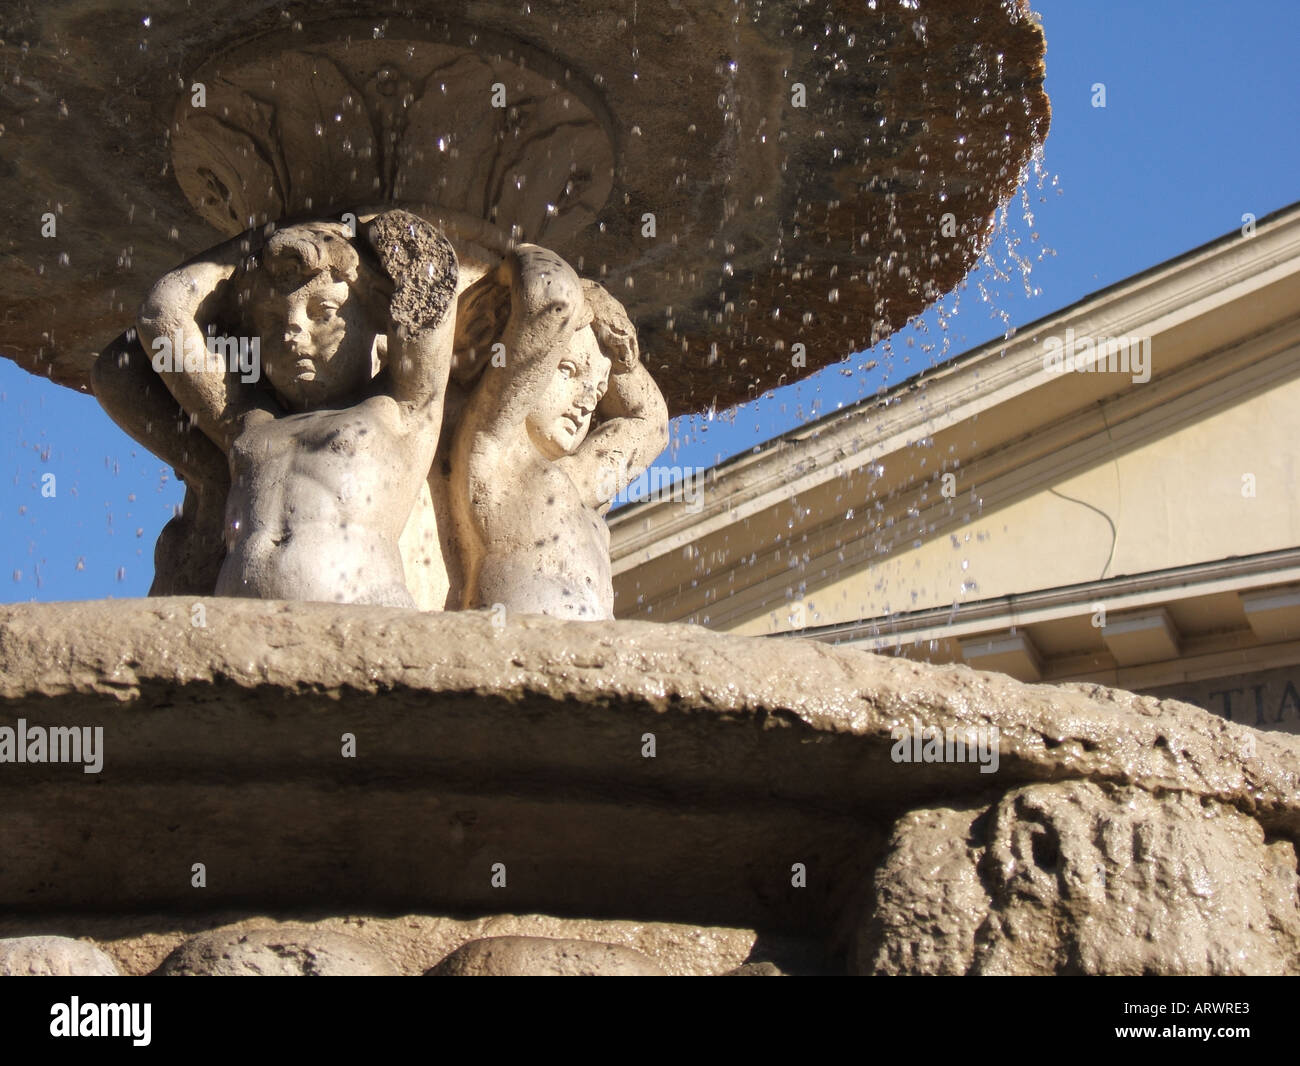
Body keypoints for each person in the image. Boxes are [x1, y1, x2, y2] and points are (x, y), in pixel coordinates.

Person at [134, 210, 457, 606]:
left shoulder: (402, 408)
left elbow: (426, 273)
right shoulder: (245, 419)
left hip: (361, 619)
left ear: (375, 317)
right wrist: (262, 239)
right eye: (270, 320)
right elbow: (160, 313)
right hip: (240, 632)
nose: (293, 332)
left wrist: (352, 232)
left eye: (322, 313)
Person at [451, 245, 668, 620]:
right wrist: (593, 298)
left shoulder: (578, 485)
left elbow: (652, 423)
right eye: (567, 371)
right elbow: (552, 298)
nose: (587, 401)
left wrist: (618, 354)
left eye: (599, 391)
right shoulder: (494, 450)